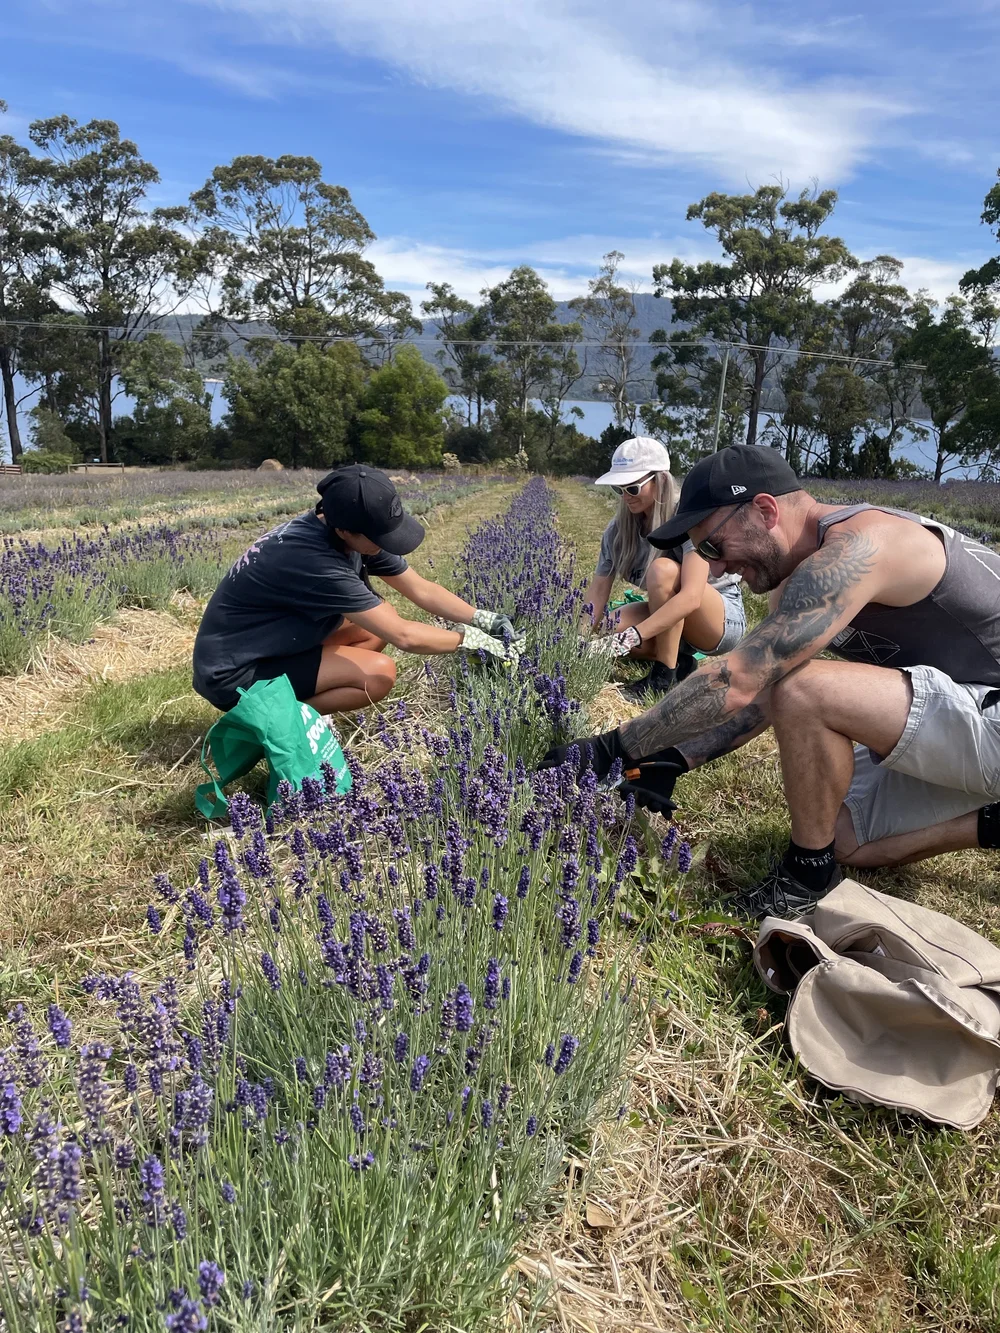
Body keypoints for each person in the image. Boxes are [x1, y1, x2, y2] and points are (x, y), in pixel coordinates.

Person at [542, 444, 1000, 920]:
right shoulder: (798, 574)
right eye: (702, 554)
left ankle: (806, 880)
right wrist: (672, 758)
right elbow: (762, 690)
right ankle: (989, 824)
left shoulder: (863, 545)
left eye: (714, 547)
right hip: (967, 709)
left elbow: (738, 679)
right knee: (839, 835)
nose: (715, 569)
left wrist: (609, 749)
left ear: (764, 510)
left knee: (805, 691)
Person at [193, 464, 519, 716]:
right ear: (346, 530)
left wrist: (484, 619)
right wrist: (473, 642)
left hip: (267, 646)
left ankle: (298, 699)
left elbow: (421, 589)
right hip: (234, 675)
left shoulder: (349, 529)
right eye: (379, 538)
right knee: (378, 675)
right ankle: (274, 723)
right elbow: (405, 637)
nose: (384, 545)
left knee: (375, 625)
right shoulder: (314, 560)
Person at [584, 437, 746, 702]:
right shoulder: (617, 531)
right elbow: (598, 593)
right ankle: (682, 661)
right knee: (607, 627)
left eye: (633, 488)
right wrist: (576, 643)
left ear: (659, 481)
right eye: (618, 488)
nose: (625, 496)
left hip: (719, 619)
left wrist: (632, 637)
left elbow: (692, 596)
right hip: (670, 613)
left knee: (662, 570)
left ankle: (664, 675)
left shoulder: (688, 518)